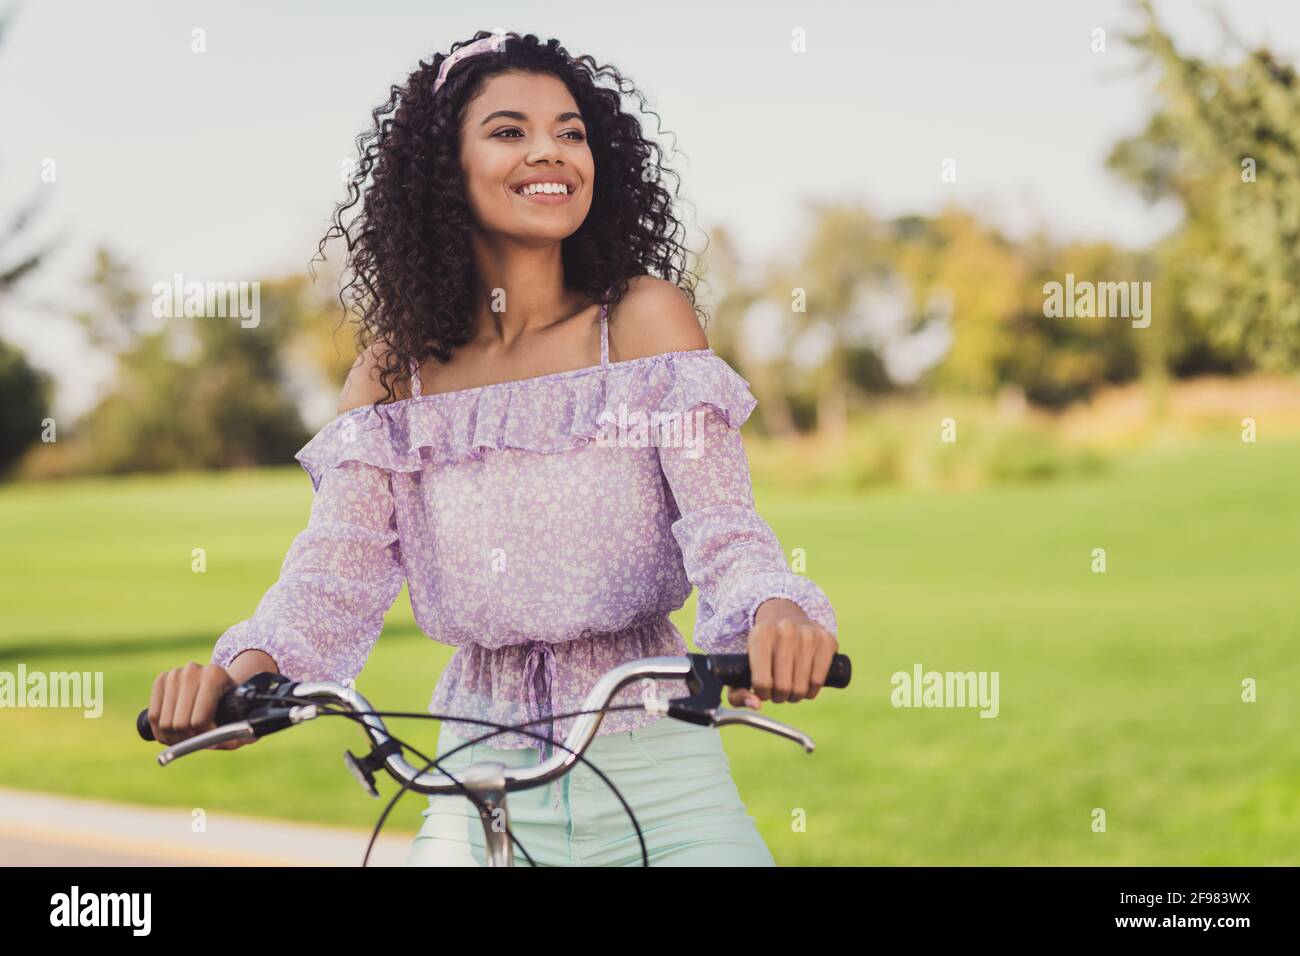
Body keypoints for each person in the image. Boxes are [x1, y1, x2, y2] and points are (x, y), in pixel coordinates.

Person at [147, 30, 839, 867]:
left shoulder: (643, 323)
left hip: (660, 779)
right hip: (471, 770)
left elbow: (725, 528)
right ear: (447, 168)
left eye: (571, 131)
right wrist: (242, 677)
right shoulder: (393, 375)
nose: (550, 151)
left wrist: (775, 611)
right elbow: (334, 572)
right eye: (509, 131)